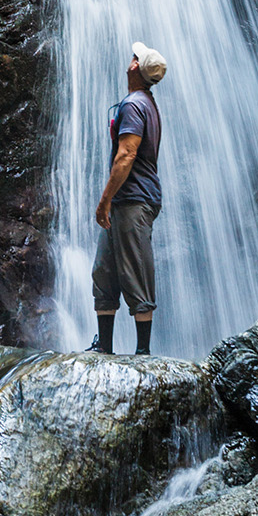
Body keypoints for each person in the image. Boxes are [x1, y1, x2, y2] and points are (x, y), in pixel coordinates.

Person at [89, 40, 167, 356]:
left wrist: (104, 200)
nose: (129, 59)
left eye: (133, 57)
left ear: (136, 66)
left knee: (135, 270)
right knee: (104, 270)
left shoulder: (135, 105)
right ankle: (104, 347)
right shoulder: (145, 102)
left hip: (133, 199)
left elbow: (127, 154)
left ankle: (142, 353)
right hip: (127, 200)